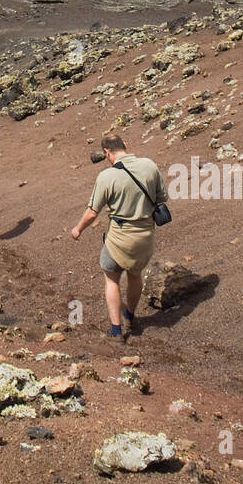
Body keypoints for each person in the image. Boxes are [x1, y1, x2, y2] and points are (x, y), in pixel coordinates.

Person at [71, 133, 167, 337]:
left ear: (106, 153)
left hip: (119, 238)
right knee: (135, 275)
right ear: (125, 144)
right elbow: (161, 197)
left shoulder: (106, 177)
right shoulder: (149, 165)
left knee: (112, 279)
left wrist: (78, 229)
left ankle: (116, 329)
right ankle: (130, 316)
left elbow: (92, 212)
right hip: (144, 235)